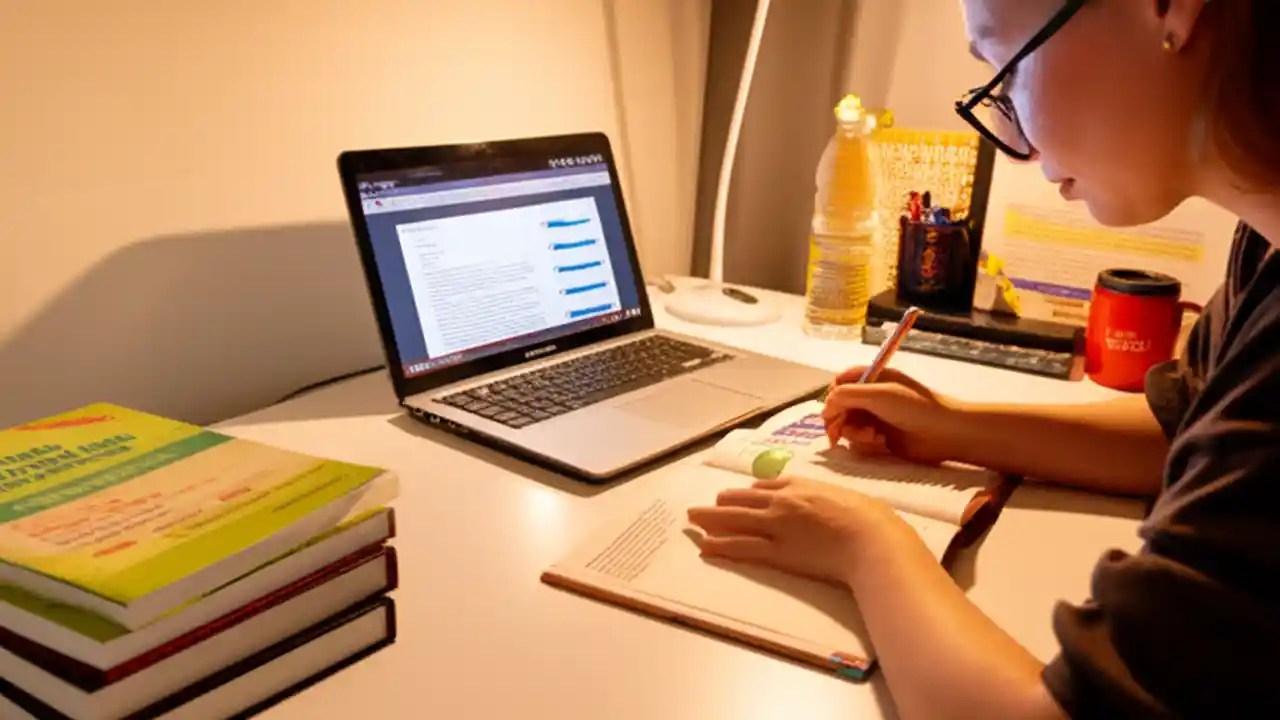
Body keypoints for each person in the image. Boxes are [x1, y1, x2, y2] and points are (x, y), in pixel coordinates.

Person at [687, 0, 1280, 717]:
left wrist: (865, 545)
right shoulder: (1265, 240)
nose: (1016, 144)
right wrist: (953, 426)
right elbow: (1182, 431)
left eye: (1010, 66)